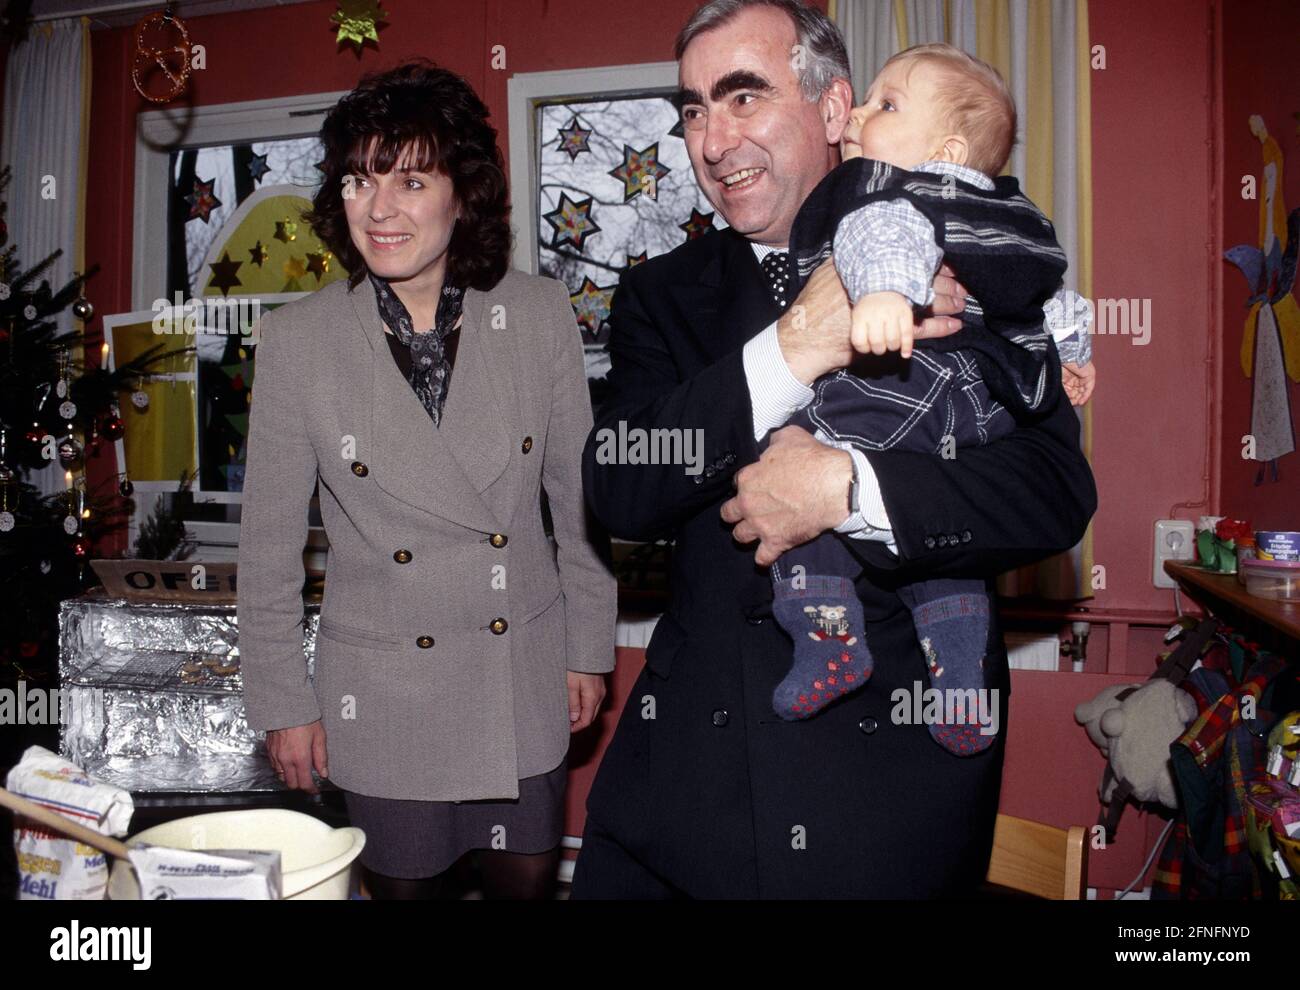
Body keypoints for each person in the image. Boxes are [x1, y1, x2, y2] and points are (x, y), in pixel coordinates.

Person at [571, 0, 1095, 898]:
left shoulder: (966, 251)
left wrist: (850, 489)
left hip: (888, 801)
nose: (714, 137)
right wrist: (796, 346)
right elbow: (617, 485)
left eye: (743, 97)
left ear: (832, 107)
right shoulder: (660, 295)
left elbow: (1055, 490)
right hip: (681, 800)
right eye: (694, 109)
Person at [236, 60, 616, 900]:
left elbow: (577, 501)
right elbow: (266, 550)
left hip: (518, 669)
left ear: (462, 192)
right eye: (359, 180)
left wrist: (588, 647)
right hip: (382, 695)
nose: (380, 209)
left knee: (523, 891)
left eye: (411, 179)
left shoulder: (540, 313)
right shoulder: (298, 342)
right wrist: (284, 704)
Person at [766, 43, 1097, 754]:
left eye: (885, 105)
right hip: (983, 407)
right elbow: (1049, 297)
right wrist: (1071, 352)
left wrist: (885, 291)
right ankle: (957, 684)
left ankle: (830, 642)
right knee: (947, 550)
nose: (858, 113)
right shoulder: (1011, 214)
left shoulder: (888, 191)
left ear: (944, 148)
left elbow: (882, 234)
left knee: (792, 468)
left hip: (901, 390)